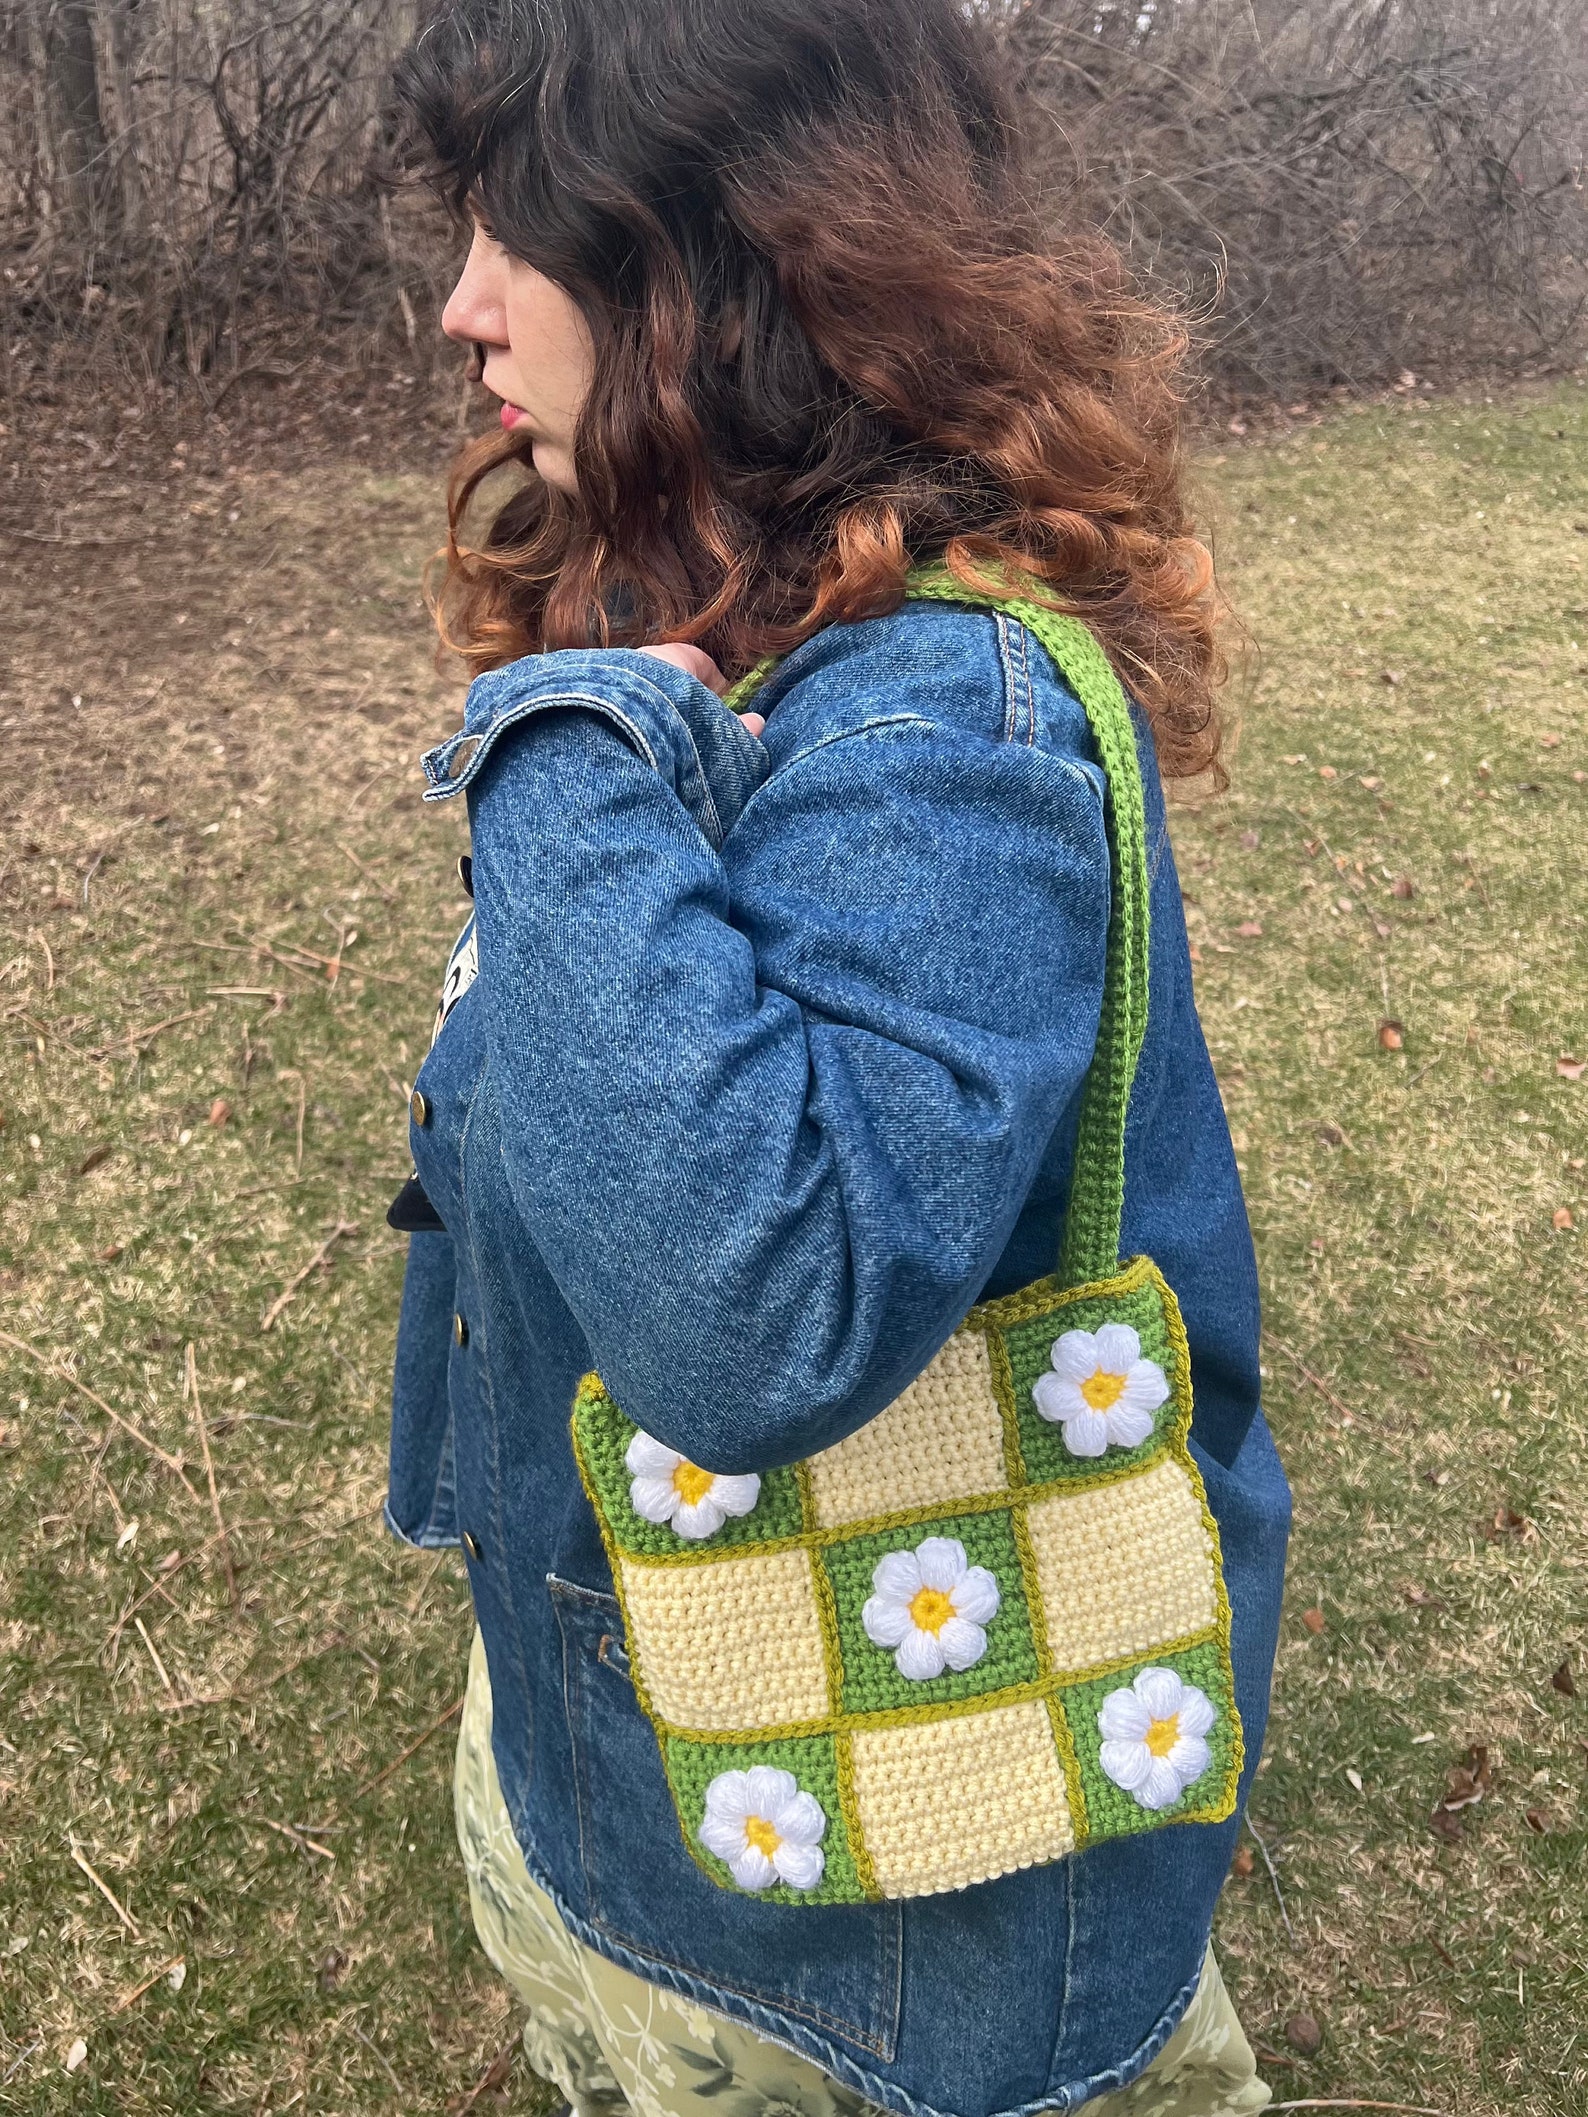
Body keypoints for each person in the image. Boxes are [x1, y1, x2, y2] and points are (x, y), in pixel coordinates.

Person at [384, 2, 1291, 2114]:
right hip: (668, 1769)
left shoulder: (934, 719)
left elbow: (751, 1315)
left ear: (713, 259)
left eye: (518, 234)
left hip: (864, 1976)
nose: (459, 306)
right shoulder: (730, 608)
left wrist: (563, 753)